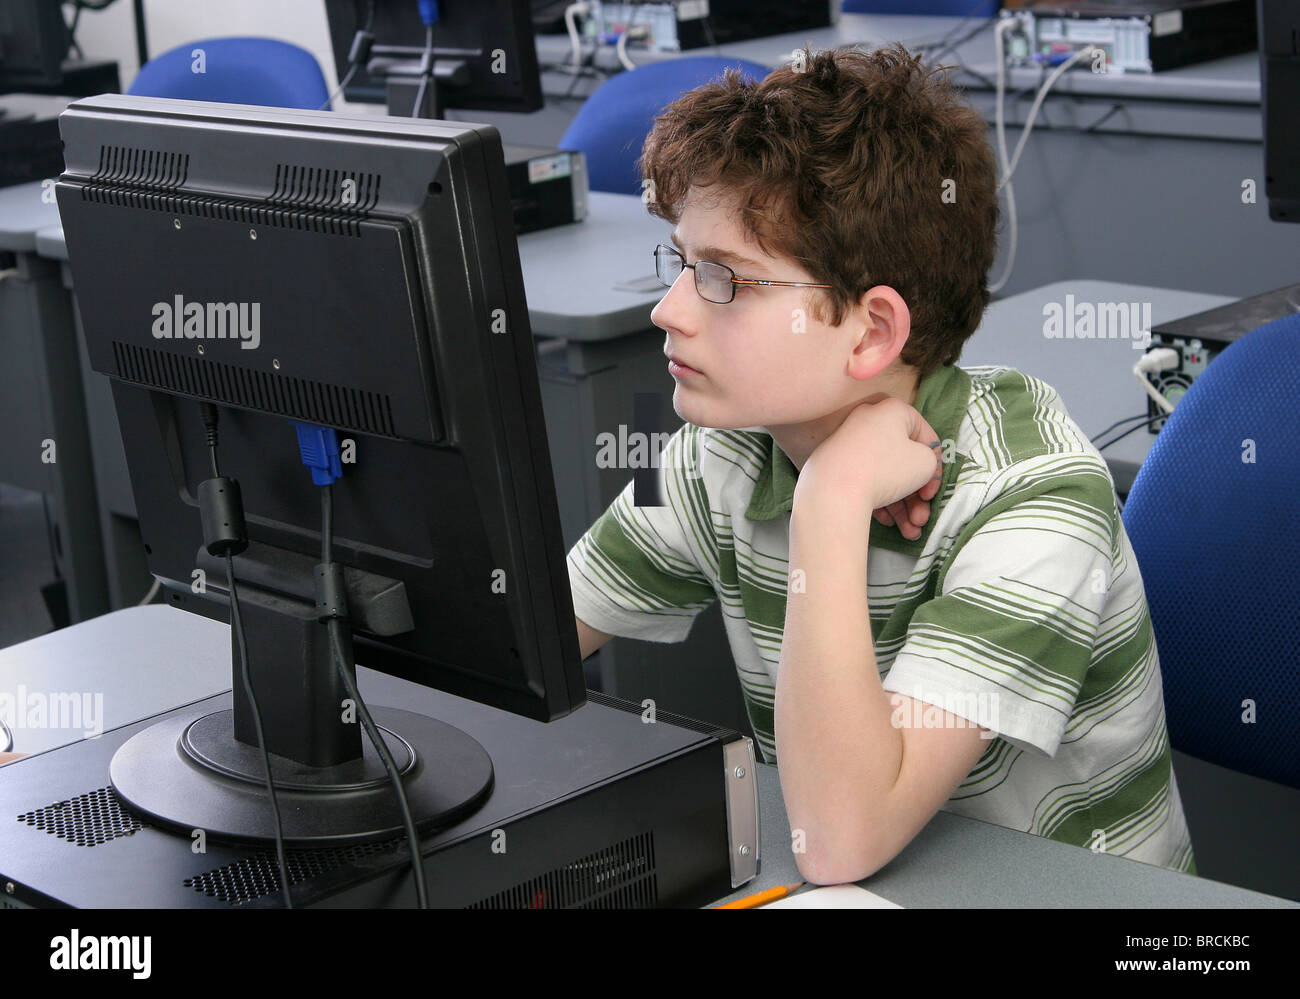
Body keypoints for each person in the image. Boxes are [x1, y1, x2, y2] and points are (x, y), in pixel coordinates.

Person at [568, 43, 1195, 885]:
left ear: (870, 331)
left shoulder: (1035, 493)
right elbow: (532, 638)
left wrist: (827, 506)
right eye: (680, 262)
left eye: (723, 279)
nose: (668, 308)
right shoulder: (716, 442)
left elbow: (836, 838)